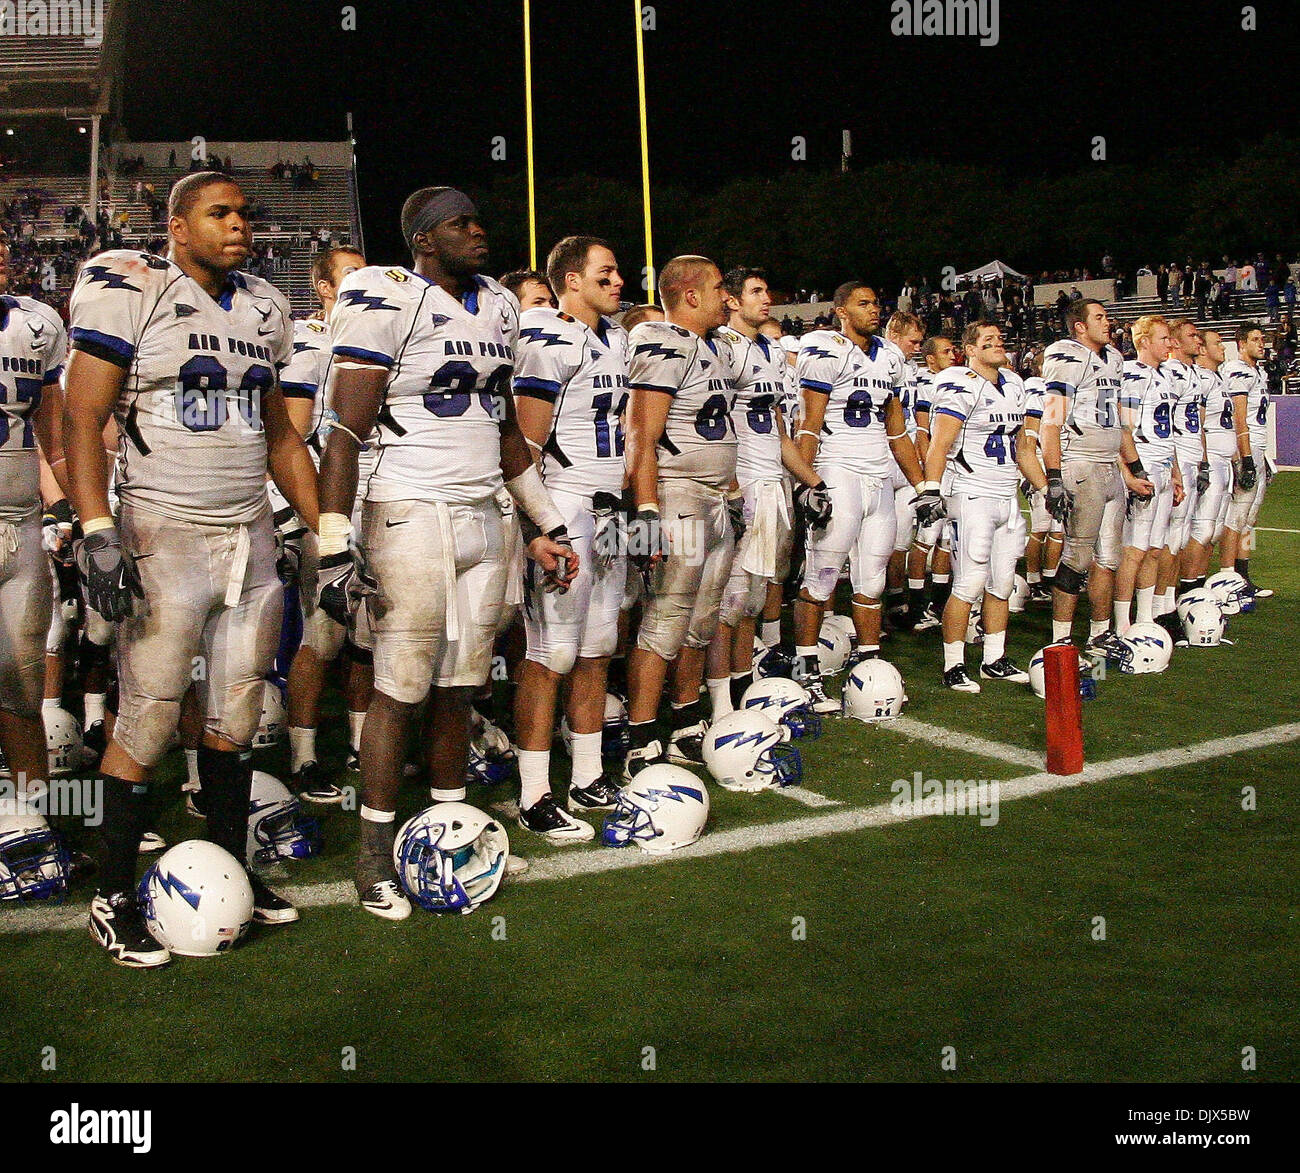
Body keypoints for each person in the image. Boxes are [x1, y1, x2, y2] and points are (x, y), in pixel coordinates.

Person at [65, 172, 318, 966]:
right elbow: (82, 417)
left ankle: (232, 865)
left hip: (247, 533)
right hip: (164, 530)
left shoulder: (265, 309)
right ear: (176, 226)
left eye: (244, 213)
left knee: (237, 714)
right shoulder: (131, 288)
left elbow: (283, 439)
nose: (238, 224)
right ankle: (110, 897)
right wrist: (97, 528)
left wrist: (331, 535)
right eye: (220, 213)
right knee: (144, 718)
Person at [316, 187, 574, 919]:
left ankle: (445, 824)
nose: (479, 230)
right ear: (424, 240)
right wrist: (335, 545)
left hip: (484, 511)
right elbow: (344, 432)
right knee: (401, 685)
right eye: (462, 223)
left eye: (478, 217)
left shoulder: (497, 304)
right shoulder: (386, 293)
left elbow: (506, 434)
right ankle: (373, 852)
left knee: (461, 682)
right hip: (409, 507)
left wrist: (545, 524)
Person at [510, 236, 630, 842]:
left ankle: (587, 774)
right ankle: (534, 792)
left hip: (609, 509)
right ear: (571, 281)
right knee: (549, 651)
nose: (618, 281)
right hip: (565, 505)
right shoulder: (545, 336)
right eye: (604, 273)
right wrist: (537, 527)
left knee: (598, 645)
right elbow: (525, 446)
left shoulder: (620, 339)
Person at [622, 256, 738, 774]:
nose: (727, 298)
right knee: (666, 618)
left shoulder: (715, 345)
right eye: (717, 288)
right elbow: (641, 435)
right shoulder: (663, 341)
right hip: (678, 495)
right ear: (690, 295)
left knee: (703, 618)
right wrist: (646, 510)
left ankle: (686, 718)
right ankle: (640, 735)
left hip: (714, 498)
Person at [792, 282, 924, 713]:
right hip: (838, 471)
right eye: (863, 304)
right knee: (822, 577)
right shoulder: (824, 347)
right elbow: (809, 423)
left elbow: (898, 431)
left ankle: (868, 665)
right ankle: (807, 669)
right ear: (840, 310)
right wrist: (807, 482)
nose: (874, 310)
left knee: (873, 581)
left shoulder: (889, 355)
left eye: (876, 304)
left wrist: (924, 486)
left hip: (879, 477)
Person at [706, 269, 826, 717]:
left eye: (766, 289)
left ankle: (743, 686)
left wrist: (812, 481)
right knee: (726, 603)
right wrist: (730, 487)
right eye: (756, 291)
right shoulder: (720, 347)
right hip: (738, 485)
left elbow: (778, 435)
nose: (767, 298)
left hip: (771, 482)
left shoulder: (772, 350)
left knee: (753, 599)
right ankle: (719, 703)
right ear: (732, 300)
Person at [279, 245, 370, 802]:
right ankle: (304, 754)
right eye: (351, 276)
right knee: (323, 633)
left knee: (369, 633)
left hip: (376, 497)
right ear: (323, 287)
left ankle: (362, 744)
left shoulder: (383, 333)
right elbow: (290, 437)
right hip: (326, 502)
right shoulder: (308, 339)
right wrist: (314, 515)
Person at [917, 322, 1044, 690]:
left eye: (999, 339)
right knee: (969, 582)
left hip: (1006, 495)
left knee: (1002, 583)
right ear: (969, 350)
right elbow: (939, 444)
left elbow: (1023, 449)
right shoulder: (960, 382)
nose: (996, 344)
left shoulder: (1015, 383)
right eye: (986, 340)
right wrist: (931, 488)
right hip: (972, 494)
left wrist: (1045, 487)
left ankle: (994, 658)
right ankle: (953, 664)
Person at [0, 235, 71, 850]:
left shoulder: (34, 324)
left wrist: (66, 510)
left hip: (18, 524)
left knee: (20, 685)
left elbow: (49, 435)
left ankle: (33, 821)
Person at [1039, 299, 1153, 653]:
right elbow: (1052, 419)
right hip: (1082, 464)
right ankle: (1061, 643)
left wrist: (1135, 468)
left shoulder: (1115, 359)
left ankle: (1100, 634)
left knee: (1109, 558)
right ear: (1079, 326)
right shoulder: (1065, 356)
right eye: (1099, 318)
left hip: (1109, 467)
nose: (1108, 323)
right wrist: (1055, 477)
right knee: (1077, 558)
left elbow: (1119, 421)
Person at [1112, 316, 1183, 635]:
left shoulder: (1163, 376)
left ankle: (1145, 619)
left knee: (1155, 548)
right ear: (1144, 341)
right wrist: (1128, 474)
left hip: (1164, 467)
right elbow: (1119, 430)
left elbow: (1171, 433)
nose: (1170, 343)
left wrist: (1177, 472)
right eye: (1164, 338)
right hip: (1145, 468)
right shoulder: (1131, 376)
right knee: (1134, 550)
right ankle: (1122, 623)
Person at [1218, 325, 1273, 598]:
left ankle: (1243, 575)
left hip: (1258, 449)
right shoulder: (1237, 370)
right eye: (1255, 339)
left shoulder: (1257, 372)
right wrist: (1247, 458)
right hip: (1245, 450)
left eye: (1263, 339)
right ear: (1241, 343)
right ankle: (1228, 577)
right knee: (1235, 518)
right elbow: (1240, 419)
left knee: (1249, 519)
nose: (1262, 343)